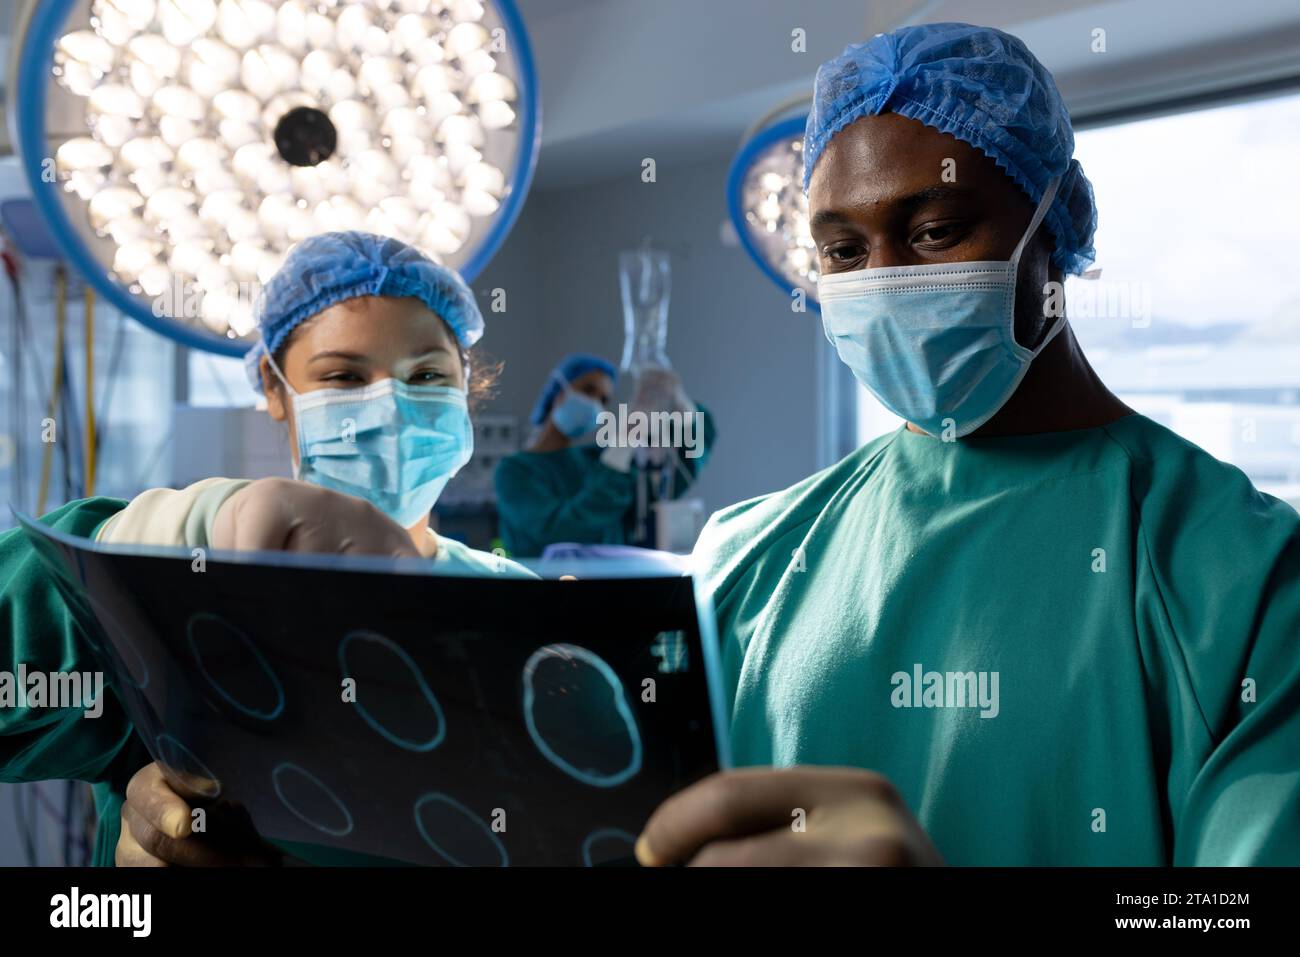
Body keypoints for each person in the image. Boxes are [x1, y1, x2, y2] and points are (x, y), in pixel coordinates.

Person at [632, 23, 1300, 866]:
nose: (884, 279)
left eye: (936, 231)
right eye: (843, 250)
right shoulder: (745, 559)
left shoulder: (1241, 573)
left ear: (1062, 223)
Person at [0, 231, 532, 867]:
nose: (392, 406)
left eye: (426, 375)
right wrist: (151, 546)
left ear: (465, 387)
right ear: (275, 390)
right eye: (343, 376)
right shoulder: (190, 588)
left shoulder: (519, 605)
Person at [494, 353, 717, 556]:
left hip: (613, 592)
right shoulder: (515, 472)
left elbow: (674, 476)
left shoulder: (598, 460)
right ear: (558, 391)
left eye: (603, 400)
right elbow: (561, 534)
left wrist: (682, 407)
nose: (594, 404)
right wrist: (623, 441)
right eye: (588, 390)